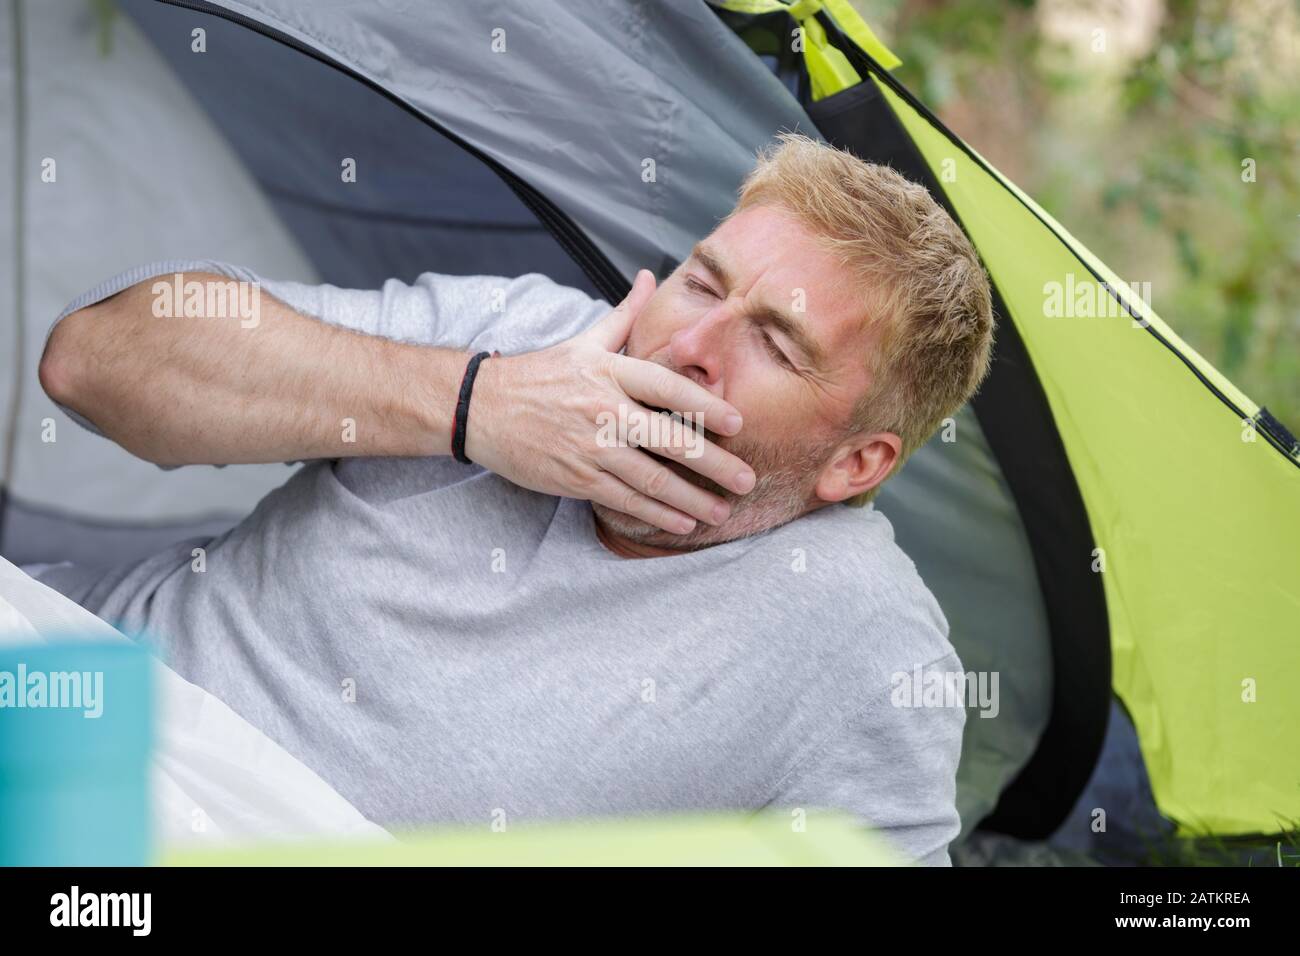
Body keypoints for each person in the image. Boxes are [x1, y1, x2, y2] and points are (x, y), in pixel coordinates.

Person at [35, 134, 994, 865]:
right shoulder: (527, 336)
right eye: (701, 282)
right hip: (73, 707)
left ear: (855, 465)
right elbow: (94, 362)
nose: (688, 344)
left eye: (777, 346)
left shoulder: (863, 647)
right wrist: (470, 403)